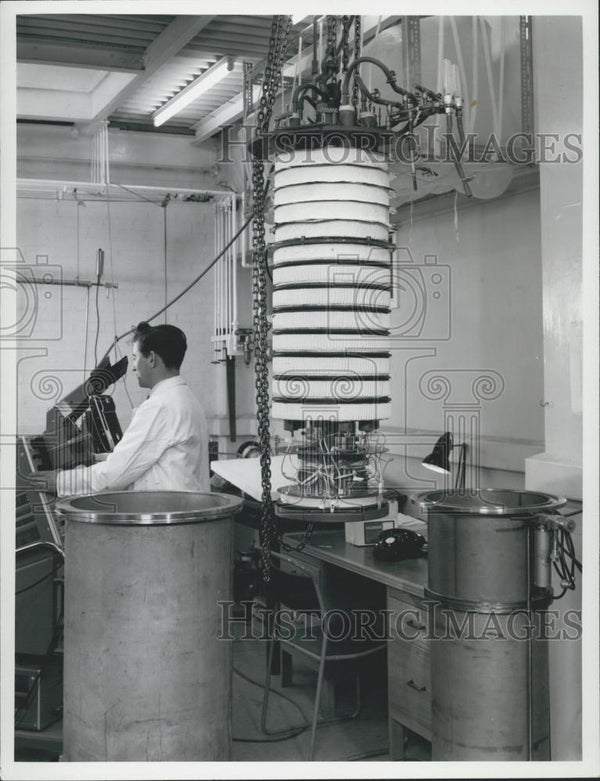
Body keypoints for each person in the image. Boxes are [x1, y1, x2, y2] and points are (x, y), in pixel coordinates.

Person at [31, 322, 209, 496]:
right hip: (184, 506)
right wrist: (96, 458)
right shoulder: (188, 400)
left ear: (151, 359)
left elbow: (114, 476)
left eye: (135, 357)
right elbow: (146, 458)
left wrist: (60, 481)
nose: (133, 367)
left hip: (165, 511)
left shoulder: (160, 406)